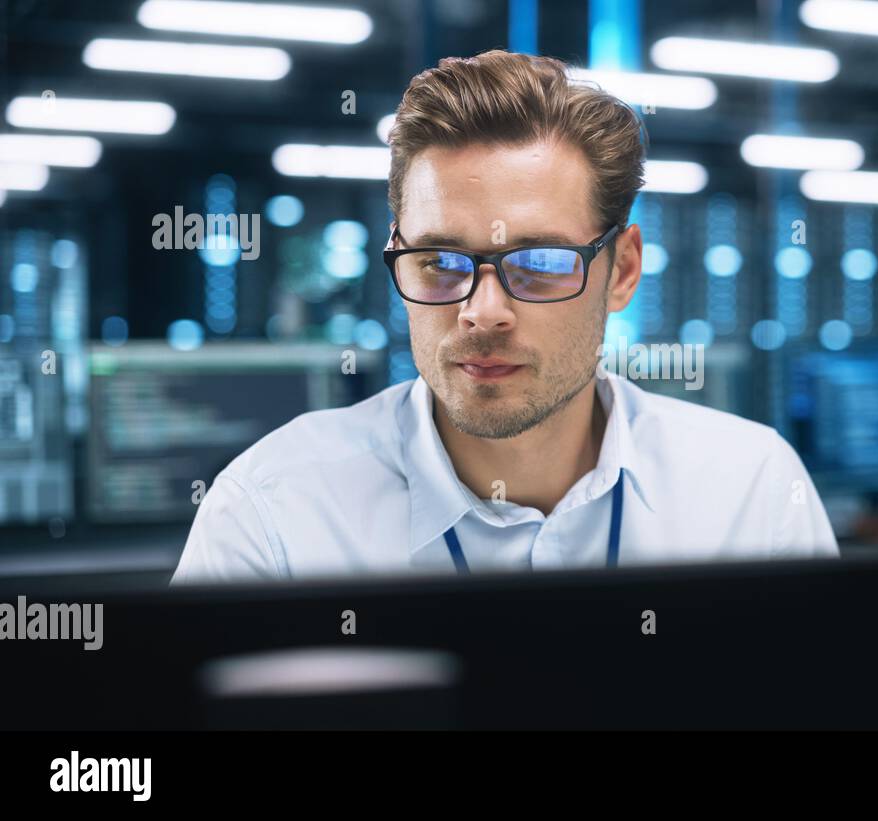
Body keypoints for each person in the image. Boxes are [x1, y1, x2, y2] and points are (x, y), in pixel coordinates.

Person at [172, 50, 838, 583]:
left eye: (540, 262)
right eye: (439, 260)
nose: (482, 314)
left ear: (623, 271)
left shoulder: (751, 495)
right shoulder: (274, 514)